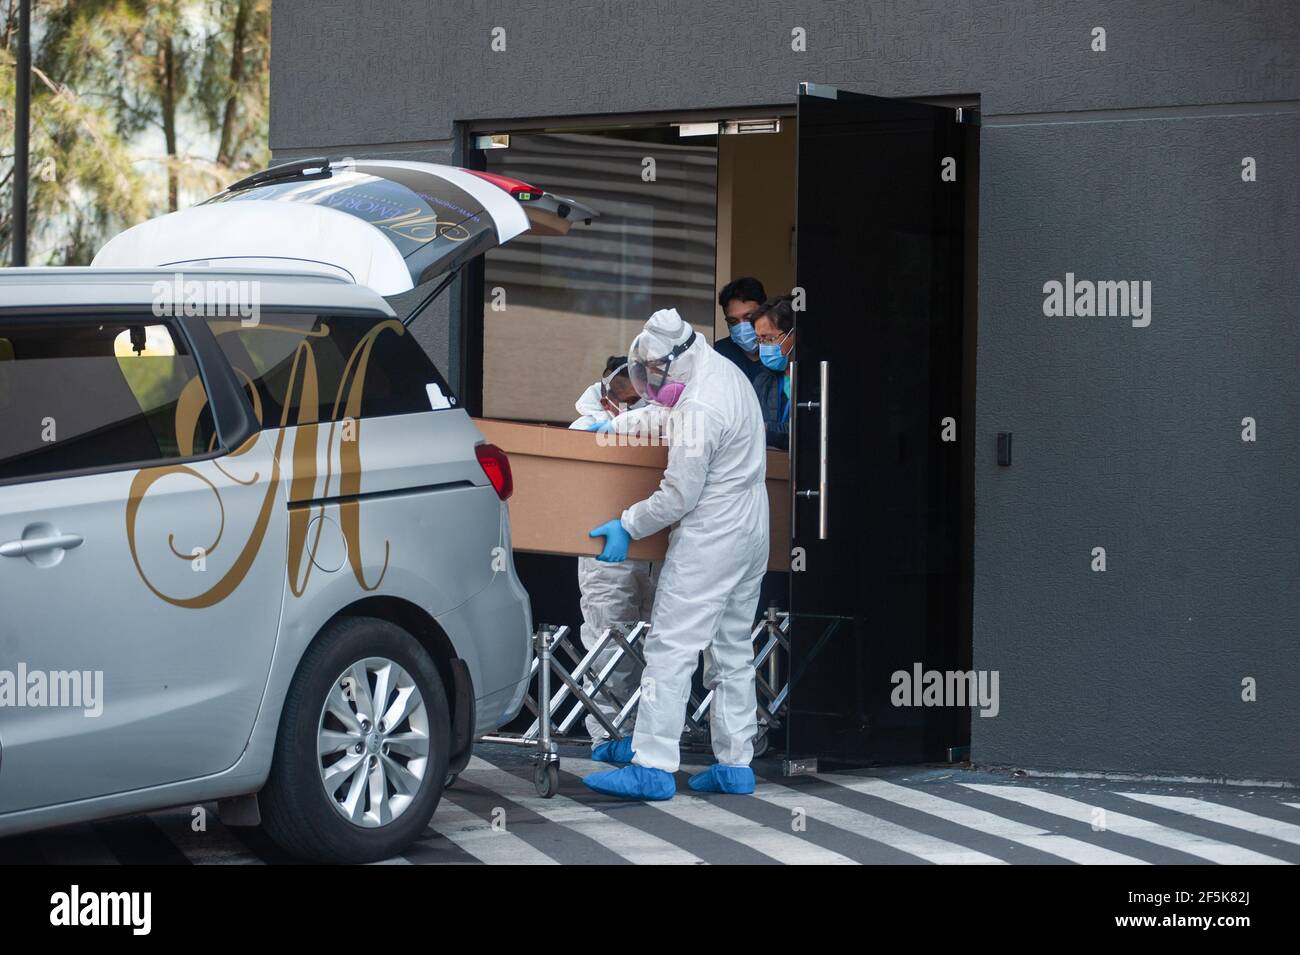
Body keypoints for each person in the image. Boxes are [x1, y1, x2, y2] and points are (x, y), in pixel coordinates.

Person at [585, 308, 769, 800]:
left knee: (671, 647)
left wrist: (627, 524)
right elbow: (664, 410)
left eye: (657, 372)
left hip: (714, 532)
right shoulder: (721, 371)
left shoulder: (700, 407)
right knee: (732, 649)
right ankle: (736, 765)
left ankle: (653, 764)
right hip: (751, 528)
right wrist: (612, 428)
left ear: (678, 357)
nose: (652, 381)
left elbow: (677, 495)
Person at [568, 358, 658, 754]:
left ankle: (647, 730)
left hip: (655, 546)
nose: (629, 407)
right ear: (607, 394)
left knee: (655, 642)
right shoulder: (583, 429)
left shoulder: (660, 418)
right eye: (624, 398)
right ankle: (608, 731)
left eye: (638, 399)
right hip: (607, 551)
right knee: (609, 640)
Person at [750, 296, 796, 451]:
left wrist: (767, 430)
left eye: (769, 338)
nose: (763, 346)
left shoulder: (818, 381)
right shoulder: (763, 380)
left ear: (792, 334)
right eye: (759, 340)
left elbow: (811, 432)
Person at [713, 277, 767, 384]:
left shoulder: (780, 352)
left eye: (749, 317)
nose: (742, 327)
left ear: (766, 312)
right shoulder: (718, 354)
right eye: (733, 321)